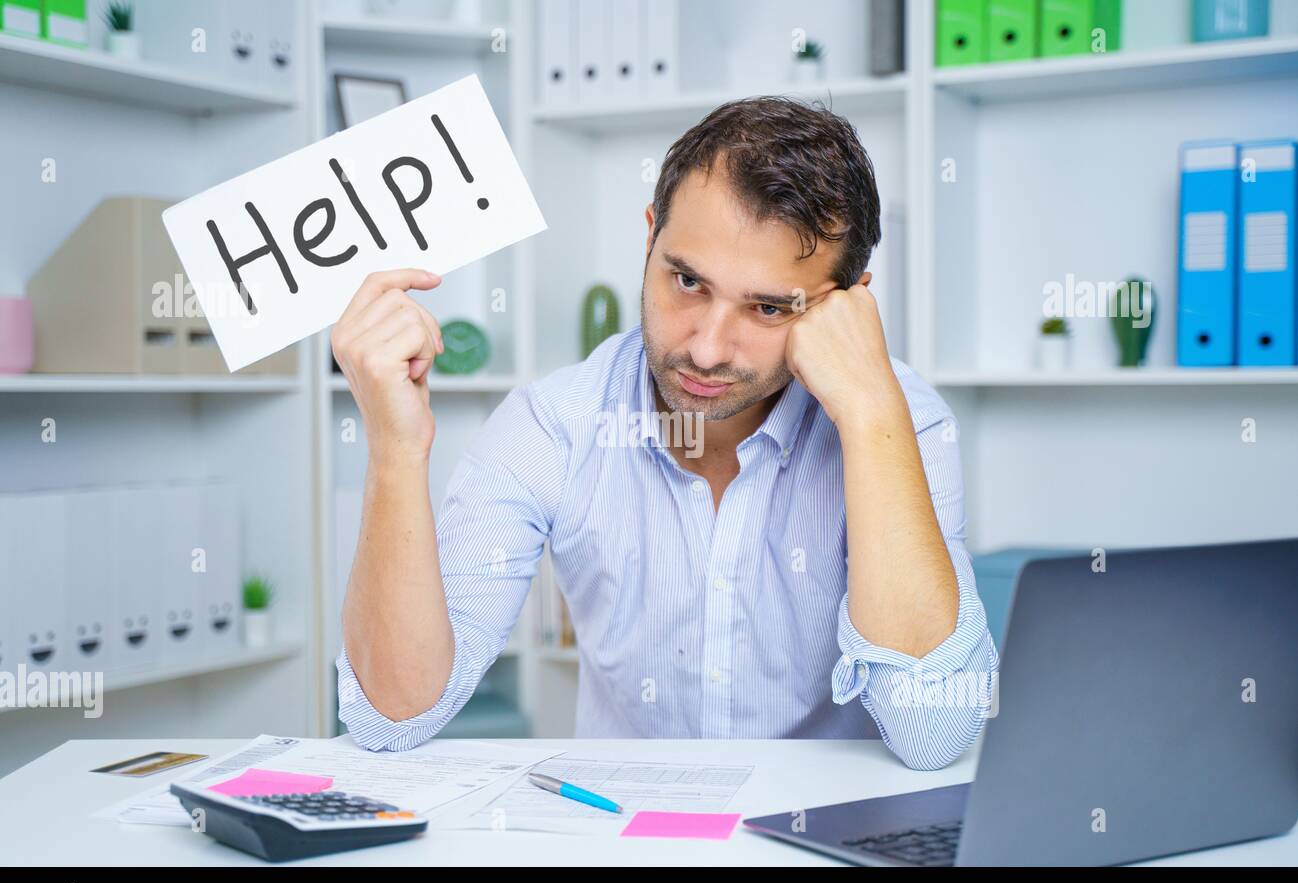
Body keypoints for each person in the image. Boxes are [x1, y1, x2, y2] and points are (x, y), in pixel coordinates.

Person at [331, 96, 998, 769]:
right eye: (686, 281)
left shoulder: (902, 419)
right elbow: (395, 719)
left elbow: (932, 735)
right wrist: (394, 452)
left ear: (848, 304)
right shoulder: (554, 426)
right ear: (649, 236)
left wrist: (871, 415)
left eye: (767, 308)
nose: (707, 349)